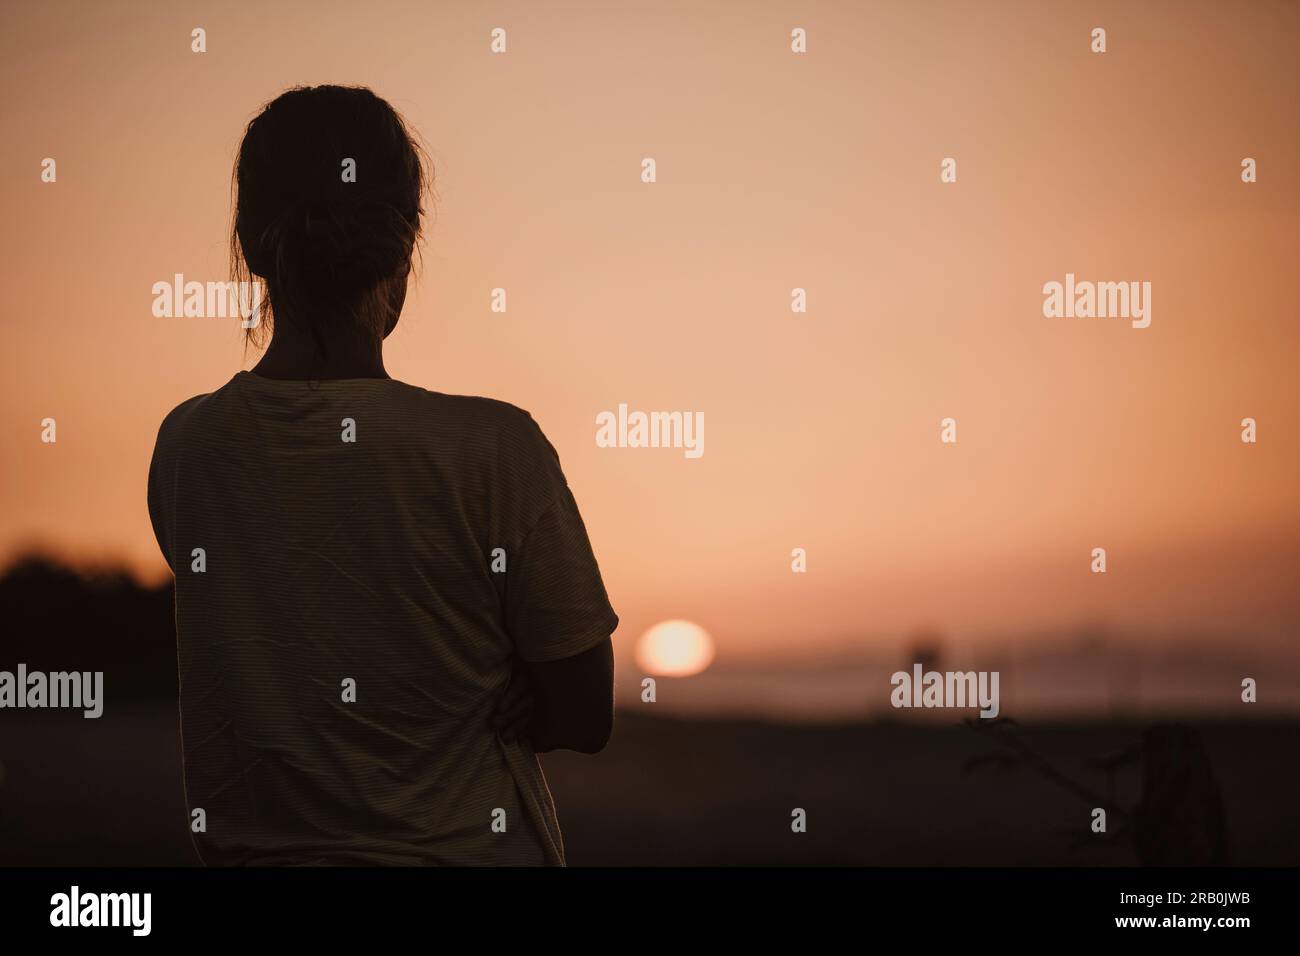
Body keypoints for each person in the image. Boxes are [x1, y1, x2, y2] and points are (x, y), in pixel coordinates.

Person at [147, 85, 617, 866]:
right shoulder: (493, 448)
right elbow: (584, 713)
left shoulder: (188, 448)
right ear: (405, 246)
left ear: (250, 245)